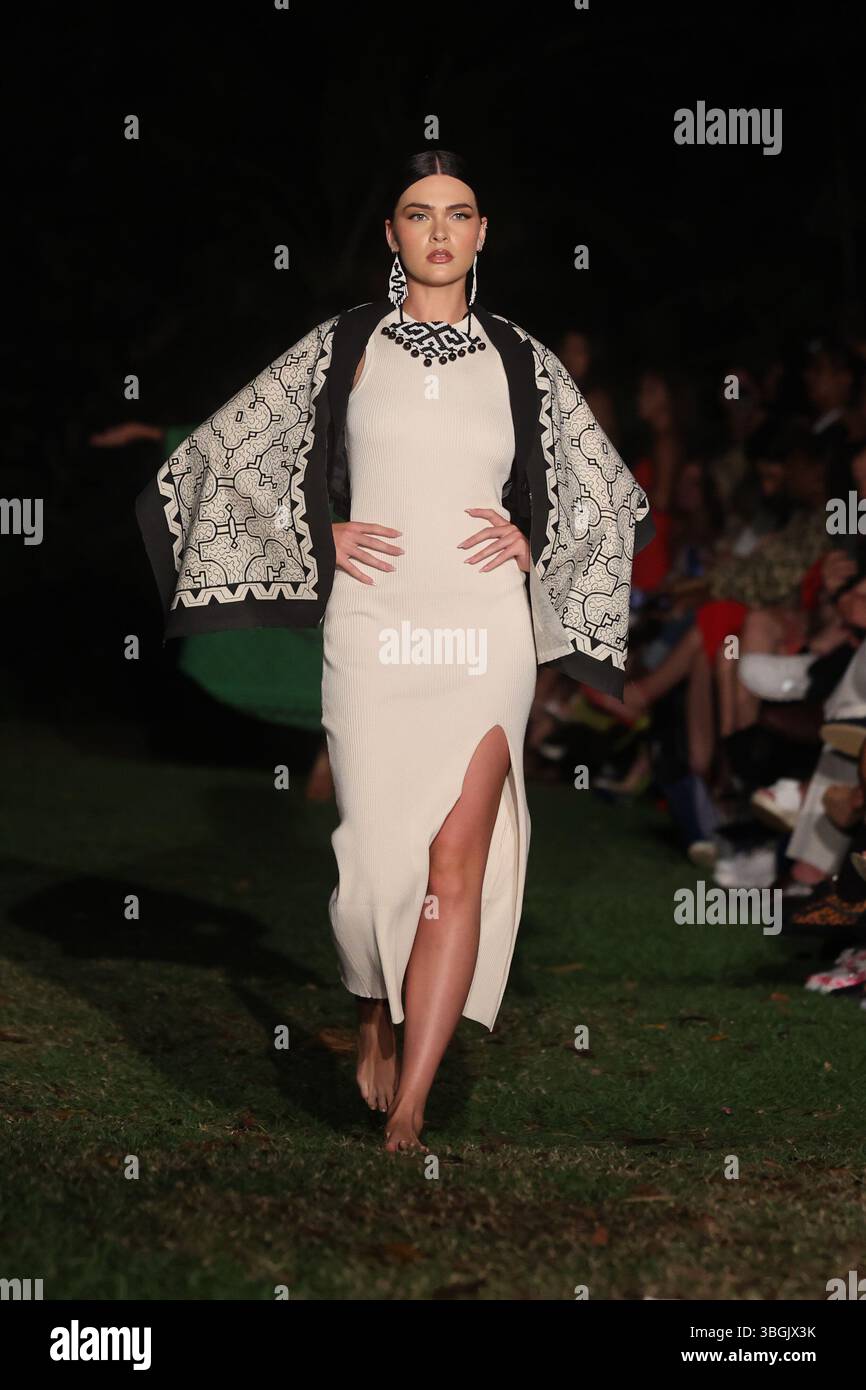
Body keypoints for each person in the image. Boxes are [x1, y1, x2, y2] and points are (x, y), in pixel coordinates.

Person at [135, 148, 653, 1155]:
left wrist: (534, 543)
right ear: (393, 234)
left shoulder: (518, 356)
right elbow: (222, 454)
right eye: (419, 214)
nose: (440, 232)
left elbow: (606, 491)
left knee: (454, 861)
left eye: (459, 214)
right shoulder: (345, 346)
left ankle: (410, 1108)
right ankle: (374, 999)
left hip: (483, 625)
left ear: (482, 233)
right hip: (375, 622)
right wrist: (313, 531)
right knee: (374, 865)